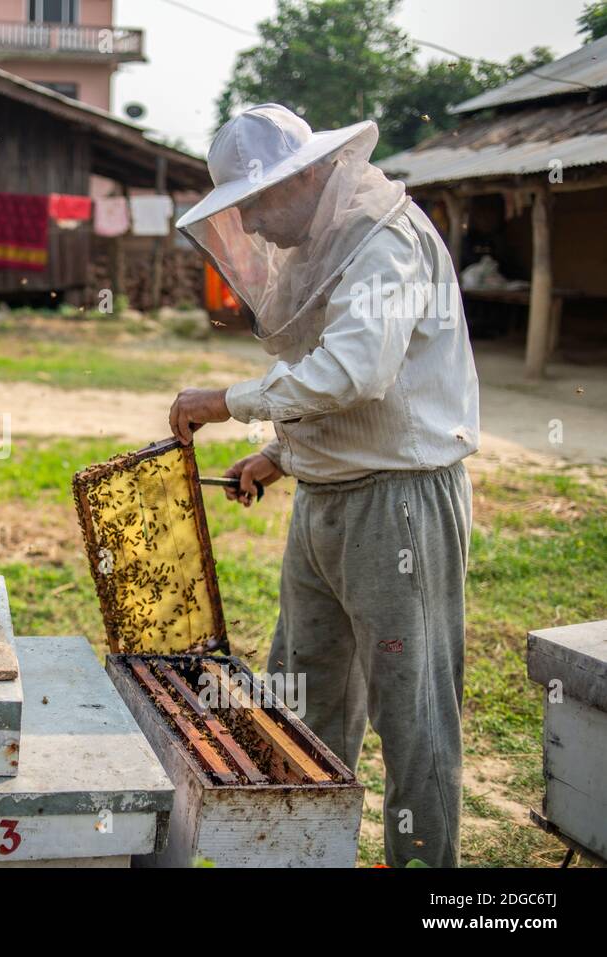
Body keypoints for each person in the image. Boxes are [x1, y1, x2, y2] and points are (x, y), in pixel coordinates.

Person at [168, 103, 480, 868]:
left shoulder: (385, 243)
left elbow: (358, 373)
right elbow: (333, 385)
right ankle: (309, 856)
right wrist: (278, 453)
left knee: (411, 713)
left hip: (399, 508)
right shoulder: (318, 245)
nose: (256, 227)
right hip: (326, 500)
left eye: (259, 203)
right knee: (303, 698)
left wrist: (225, 403)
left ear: (310, 175)